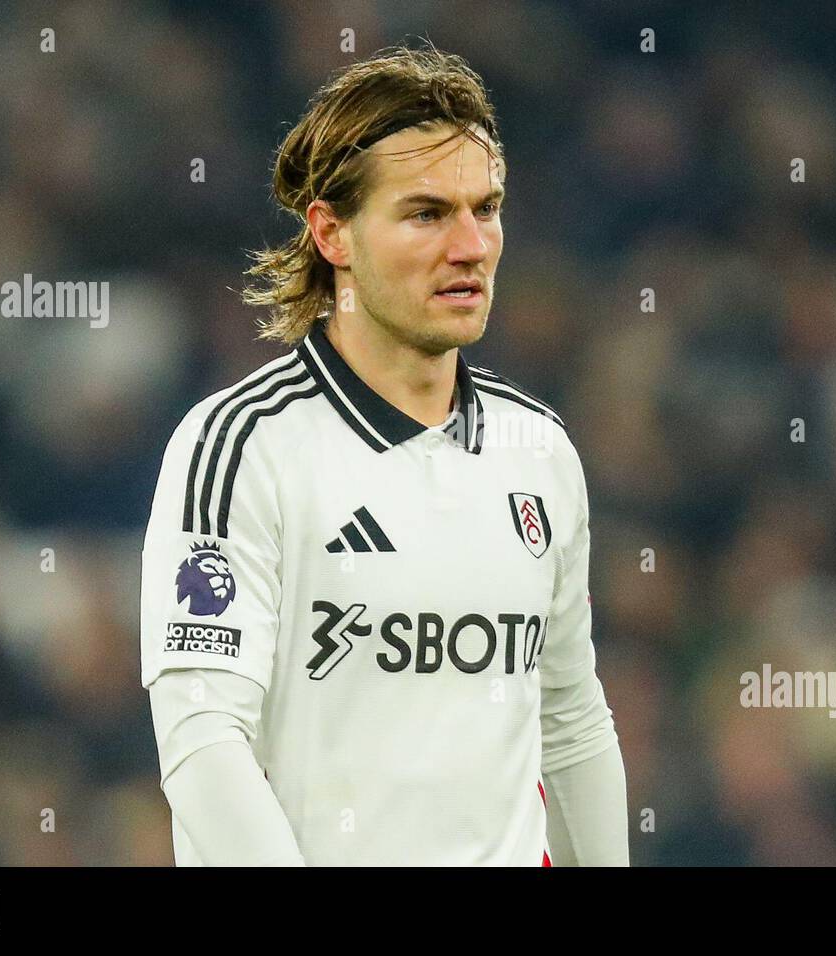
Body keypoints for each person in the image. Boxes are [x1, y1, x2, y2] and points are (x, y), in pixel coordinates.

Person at [140, 43, 627, 865]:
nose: (471, 245)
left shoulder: (539, 450)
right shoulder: (242, 448)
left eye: (486, 208)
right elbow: (203, 742)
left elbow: (571, 723)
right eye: (427, 214)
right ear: (331, 232)